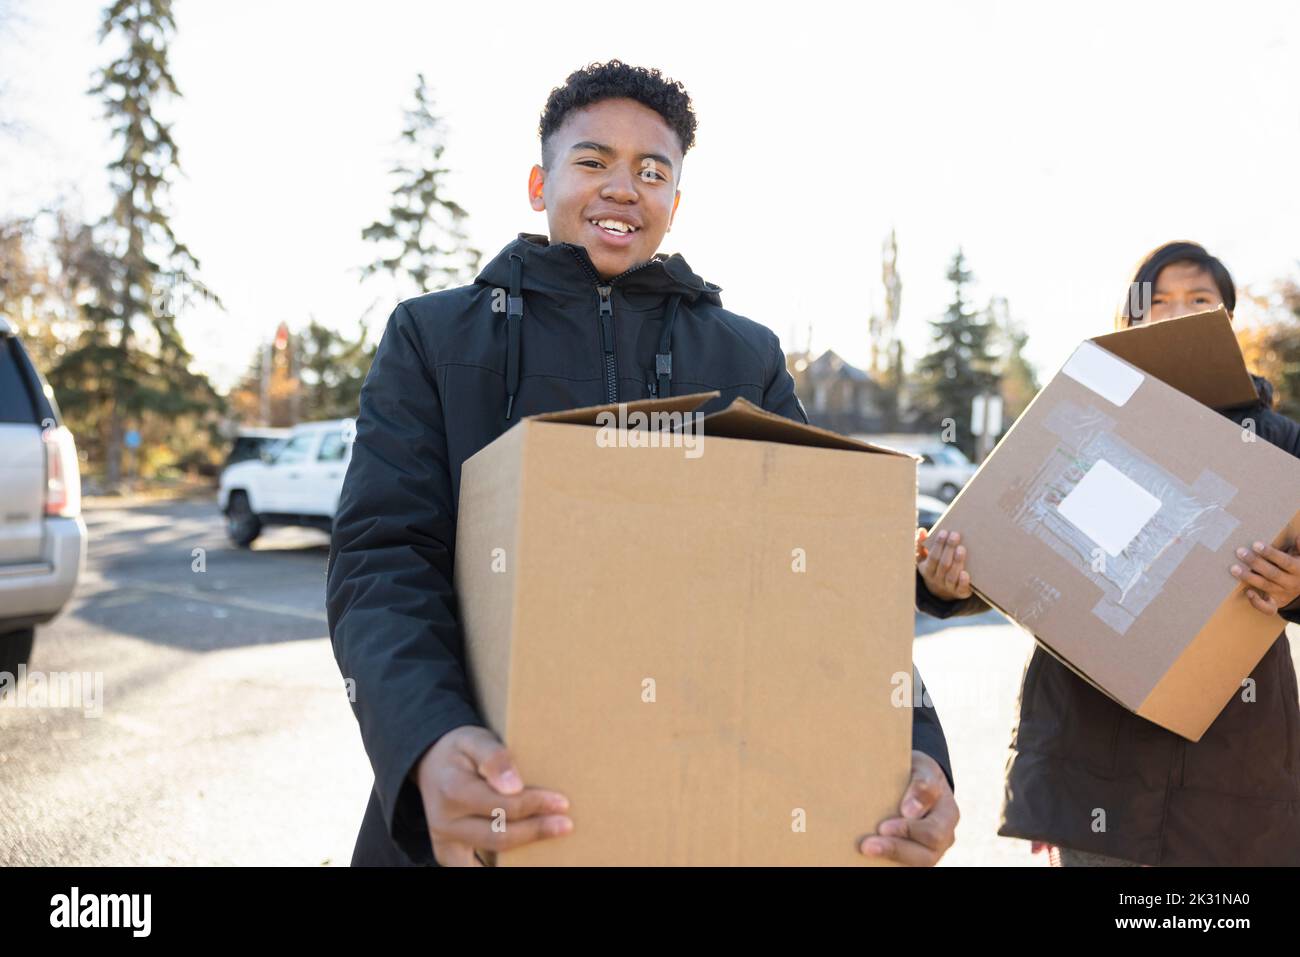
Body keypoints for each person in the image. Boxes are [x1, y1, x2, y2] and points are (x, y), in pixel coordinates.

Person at [326, 59, 960, 867]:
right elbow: (382, 558)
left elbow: (826, 582)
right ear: (538, 182)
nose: (623, 188)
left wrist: (914, 751)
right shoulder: (435, 337)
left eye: (651, 171)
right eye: (592, 161)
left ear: (675, 202)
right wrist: (427, 740)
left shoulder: (744, 356)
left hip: (704, 808)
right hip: (494, 802)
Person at [924, 240, 1300, 866]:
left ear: (1230, 321)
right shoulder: (1079, 414)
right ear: (1129, 320)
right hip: (1093, 749)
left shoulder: (1280, 445)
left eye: (1200, 301)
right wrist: (943, 582)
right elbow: (1012, 550)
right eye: (1158, 302)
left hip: (1234, 753)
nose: (1177, 314)